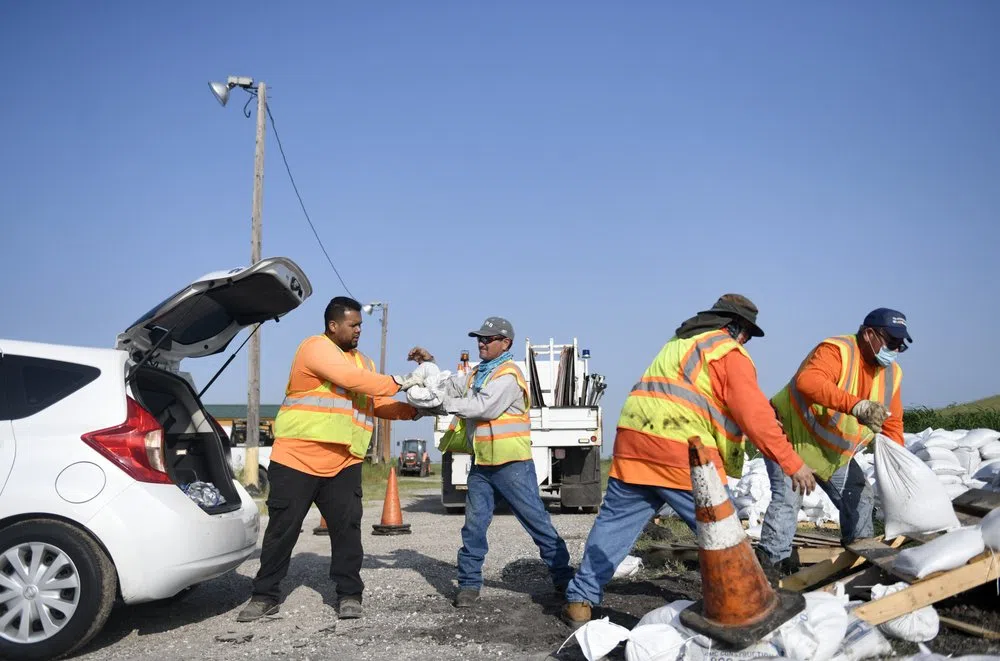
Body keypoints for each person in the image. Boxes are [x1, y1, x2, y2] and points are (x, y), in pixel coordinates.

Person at [561, 294, 816, 627]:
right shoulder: (728, 351)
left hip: (634, 443)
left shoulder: (679, 344)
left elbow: (699, 398)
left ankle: (580, 599)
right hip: (681, 451)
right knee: (721, 530)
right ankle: (749, 605)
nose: (746, 342)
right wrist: (791, 462)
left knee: (613, 525)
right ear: (735, 326)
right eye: (747, 335)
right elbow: (751, 413)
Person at [237, 296, 425, 622]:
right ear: (333, 325)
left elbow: (375, 402)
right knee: (282, 530)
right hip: (297, 459)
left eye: (360, 326)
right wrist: (402, 381)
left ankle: (349, 594)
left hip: (343, 461)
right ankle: (265, 595)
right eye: (353, 325)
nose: (358, 331)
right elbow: (353, 381)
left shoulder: (364, 363)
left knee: (347, 530)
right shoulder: (315, 349)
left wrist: (412, 410)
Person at [419, 316, 574, 608]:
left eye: (488, 339)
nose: (482, 342)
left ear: (506, 344)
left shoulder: (508, 376)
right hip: (483, 466)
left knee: (537, 524)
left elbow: (483, 407)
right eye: (480, 338)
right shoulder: (479, 373)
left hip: (513, 466)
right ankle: (468, 585)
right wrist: (428, 368)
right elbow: (451, 385)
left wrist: (441, 404)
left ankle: (565, 581)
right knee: (474, 527)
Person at [758, 308, 909, 573]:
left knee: (860, 496)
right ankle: (770, 567)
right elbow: (809, 381)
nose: (895, 349)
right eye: (891, 342)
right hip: (789, 438)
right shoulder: (838, 350)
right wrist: (856, 406)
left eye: (900, 345)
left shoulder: (892, 375)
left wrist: (899, 465)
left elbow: (893, 422)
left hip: (830, 452)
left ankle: (859, 563)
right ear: (869, 334)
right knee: (787, 501)